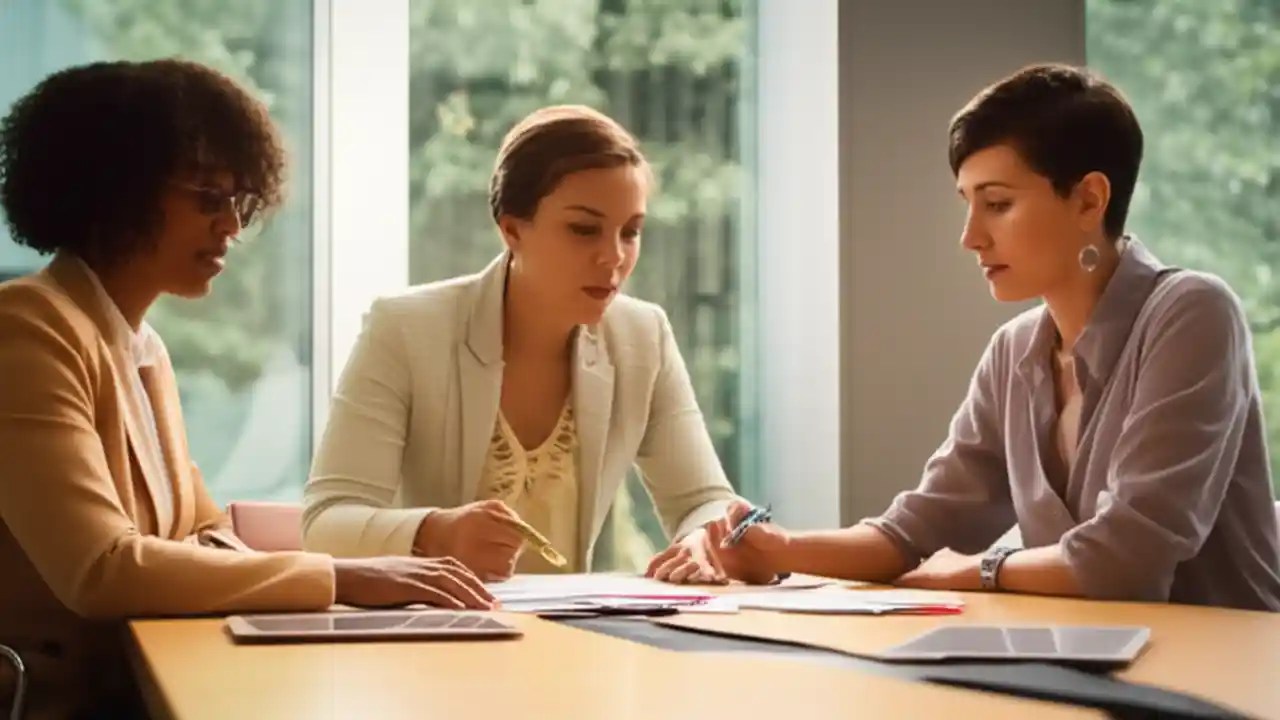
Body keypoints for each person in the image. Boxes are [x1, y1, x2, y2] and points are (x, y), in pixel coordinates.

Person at [0, 60, 493, 717]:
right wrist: (342, 577)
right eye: (209, 199)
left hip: (136, 684)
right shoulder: (27, 329)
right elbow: (102, 570)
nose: (231, 226)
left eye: (239, 201)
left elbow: (200, 531)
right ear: (115, 191)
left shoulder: (140, 346)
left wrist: (395, 554)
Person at [708, 63, 1280, 611]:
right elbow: (912, 533)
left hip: (1224, 670)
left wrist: (981, 571)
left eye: (998, 204)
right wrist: (781, 550)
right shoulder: (1015, 351)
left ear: (1089, 199)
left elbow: (1130, 555)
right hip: (1094, 664)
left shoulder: (1193, 313)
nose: (971, 238)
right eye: (969, 204)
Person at [303, 105, 741, 583]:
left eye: (630, 232)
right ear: (512, 229)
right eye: (583, 229)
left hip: (581, 637)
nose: (613, 256)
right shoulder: (405, 329)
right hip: (436, 637)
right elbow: (324, 523)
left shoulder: (643, 336)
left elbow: (704, 501)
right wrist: (433, 534)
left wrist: (703, 539)